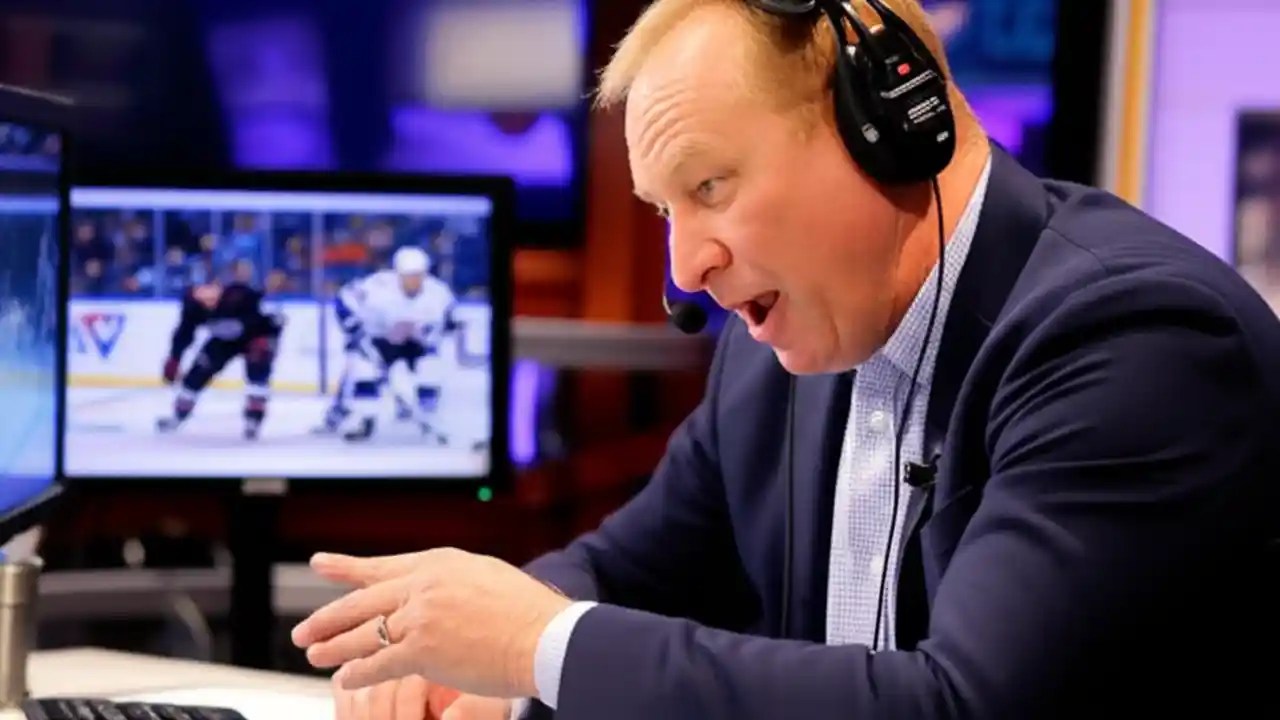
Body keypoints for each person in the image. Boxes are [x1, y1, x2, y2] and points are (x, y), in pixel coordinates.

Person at [292, 1, 1280, 718]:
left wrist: (532, 644)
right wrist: (468, 656)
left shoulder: (1135, 340)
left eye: (709, 185)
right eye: (663, 213)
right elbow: (630, 568)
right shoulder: (775, 355)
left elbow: (963, 705)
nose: (684, 268)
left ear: (885, 129)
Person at [320, 245, 456, 443]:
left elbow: (449, 319)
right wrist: (354, 328)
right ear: (398, 274)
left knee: (431, 368)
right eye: (409, 276)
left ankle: (430, 416)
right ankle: (364, 419)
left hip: (417, 342)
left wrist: (433, 333)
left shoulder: (438, 292)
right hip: (379, 340)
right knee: (363, 369)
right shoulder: (377, 285)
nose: (414, 281)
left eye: (418, 275)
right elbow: (344, 299)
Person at [155, 265, 283, 441]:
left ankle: (253, 419)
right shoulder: (192, 305)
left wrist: (267, 342)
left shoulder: (242, 295)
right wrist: (174, 357)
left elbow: (273, 320)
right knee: (197, 373)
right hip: (223, 340)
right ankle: (179, 414)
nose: (207, 297)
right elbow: (184, 332)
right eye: (201, 291)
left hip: (256, 337)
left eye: (210, 290)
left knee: (258, 375)